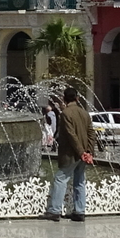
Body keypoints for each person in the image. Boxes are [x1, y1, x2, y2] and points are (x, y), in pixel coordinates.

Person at [45, 87, 94, 222]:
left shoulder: (66, 113)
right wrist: (88, 152)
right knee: (79, 181)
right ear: (77, 98)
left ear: (64, 99)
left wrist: (81, 152)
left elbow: (71, 135)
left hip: (71, 154)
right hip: (83, 153)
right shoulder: (85, 113)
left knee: (60, 179)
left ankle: (54, 211)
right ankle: (79, 211)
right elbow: (91, 133)